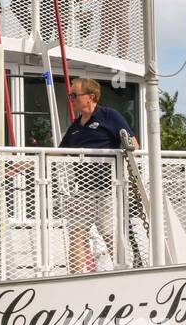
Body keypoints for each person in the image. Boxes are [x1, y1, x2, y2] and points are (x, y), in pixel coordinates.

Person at [58, 78, 138, 273]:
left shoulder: (109, 116)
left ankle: (123, 273)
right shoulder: (76, 126)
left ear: (90, 97)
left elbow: (133, 144)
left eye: (74, 95)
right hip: (83, 189)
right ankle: (75, 279)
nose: (71, 99)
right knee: (77, 233)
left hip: (107, 189)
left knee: (110, 234)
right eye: (70, 96)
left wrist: (122, 155)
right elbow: (61, 150)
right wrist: (28, 162)